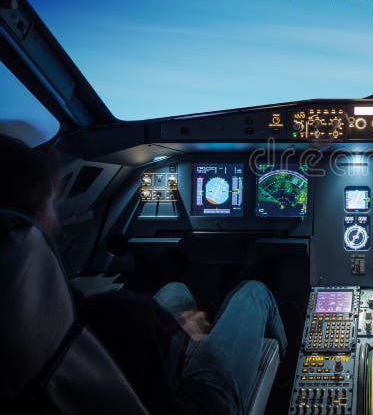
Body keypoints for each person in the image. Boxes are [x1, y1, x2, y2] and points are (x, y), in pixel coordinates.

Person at [0, 134, 287, 414]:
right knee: (253, 291)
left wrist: (173, 333)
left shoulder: (34, 320)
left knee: (176, 289)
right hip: (196, 403)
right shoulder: (126, 316)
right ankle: (291, 369)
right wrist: (172, 333)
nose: (57, 216)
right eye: (52, 205)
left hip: (141, 381)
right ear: (28, 228)